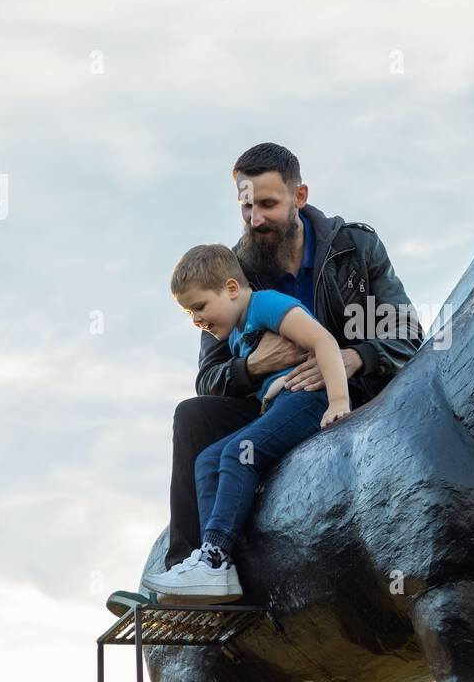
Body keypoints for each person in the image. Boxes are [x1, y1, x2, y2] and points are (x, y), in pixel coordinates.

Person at [162, 143, 424, 583]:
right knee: (193, 416)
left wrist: (354, 357)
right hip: (270, 395)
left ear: (299, 197)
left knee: (240, 450)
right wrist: (254, 366)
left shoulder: (353, 247)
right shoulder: (231, 272)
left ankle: (215, 557)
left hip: (350, 389)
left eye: (267, 204)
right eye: (246, 207)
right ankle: (192, 569)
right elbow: (209, 378)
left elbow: (408, 334)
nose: (255, 219)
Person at [142, 243, 353, 601]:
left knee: (240, 452)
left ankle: (214, 556)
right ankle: (214, 562)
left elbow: (323, 340)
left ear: (230, 288)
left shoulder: (265, 304)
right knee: (208, 459)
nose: (197, 320)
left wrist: (338, 401)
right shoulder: (238, 335)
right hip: (279, 404)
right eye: (189, 314)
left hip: (307, 399)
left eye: (200, 307)